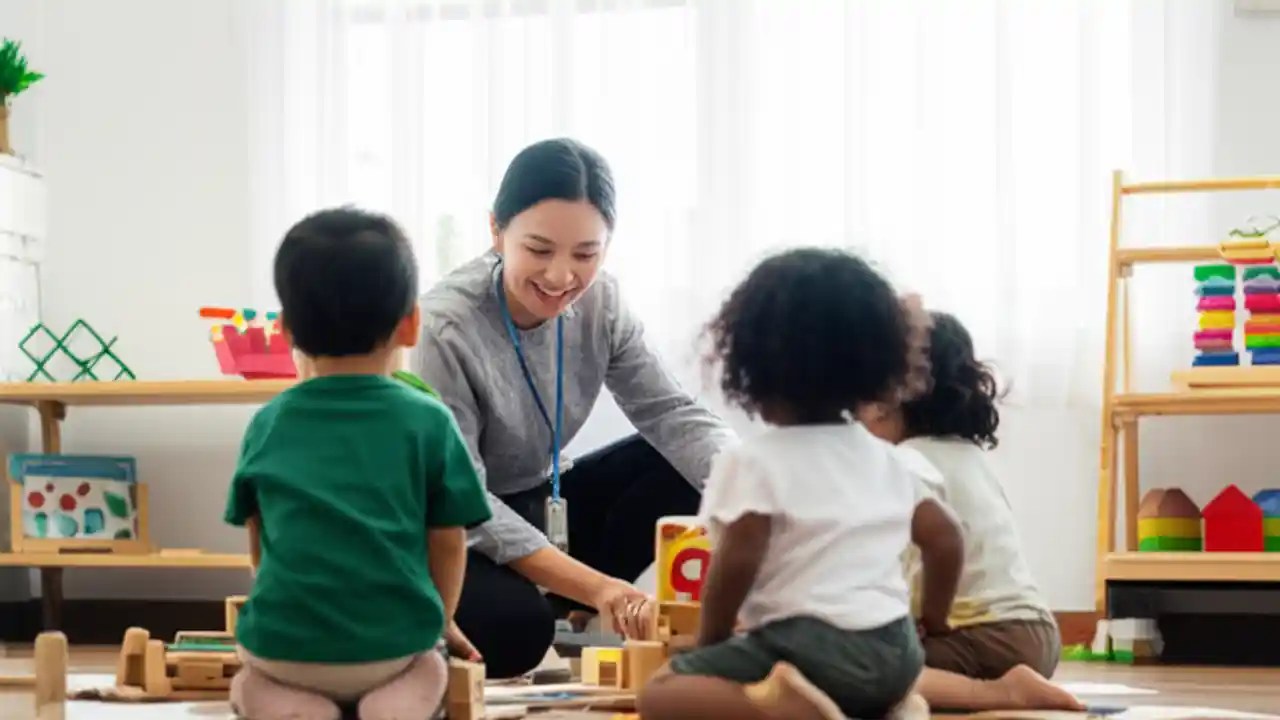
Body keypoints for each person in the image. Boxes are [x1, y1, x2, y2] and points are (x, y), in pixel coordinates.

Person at [414, 137, 735, 677]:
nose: (562, 277)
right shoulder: (444, 327)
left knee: (693, 465)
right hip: (453, 527)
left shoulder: (602, 303)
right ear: (496, 231)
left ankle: (555, 591)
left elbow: (672, 413)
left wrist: (761, 487)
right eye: (539, 250)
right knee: (514, 633)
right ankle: (551, 597)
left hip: (543, 500)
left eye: (586, 254)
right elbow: (462, 499)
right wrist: (601, 587)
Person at [636, 247, 965, 720]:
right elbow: (946, 538)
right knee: (883, 691)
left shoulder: (753, 463)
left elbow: (739, 557)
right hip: (896, 651)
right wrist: (934, 619)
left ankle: (781, 708)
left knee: (662, 693)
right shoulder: (890, 461)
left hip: (807, 646)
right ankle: (897, 707)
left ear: (750, 367)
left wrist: (710, 643)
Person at [224, 208, 492, 720]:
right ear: (411, 324)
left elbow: (260, 535)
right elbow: (448, 540)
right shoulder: (429, 421)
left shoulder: (268, 423)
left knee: (253, 675)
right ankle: (393, 704)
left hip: (285, 648)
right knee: (428, 668)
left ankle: (283, 698)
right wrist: (442, 621)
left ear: (286, 332)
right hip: (391, 649)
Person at [860, 311, 1085, 712]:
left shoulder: (905, 464)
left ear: (882, 403)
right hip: (1037, 635)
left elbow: (894, 567)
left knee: (850, 670)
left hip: (983, 638)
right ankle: (1010, 684)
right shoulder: (968, 457)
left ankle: (997, 693)